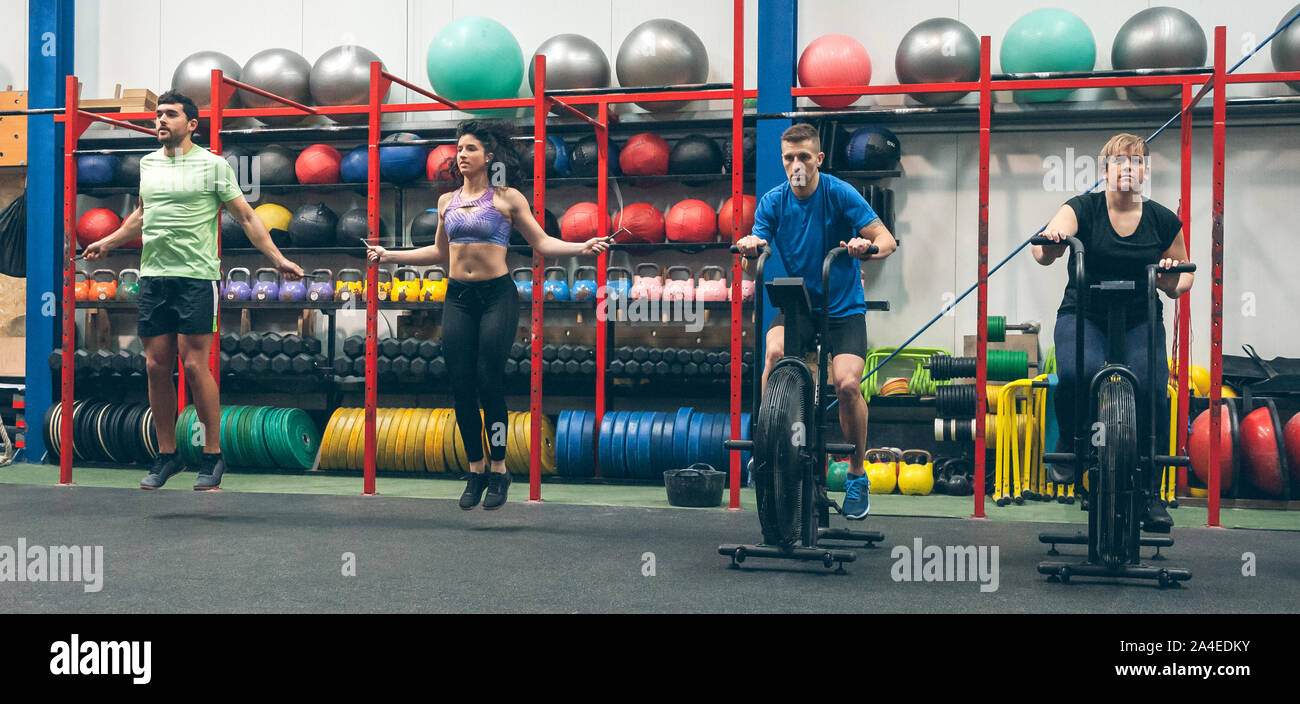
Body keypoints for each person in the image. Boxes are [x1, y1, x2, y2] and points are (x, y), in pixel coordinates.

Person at [367, 120, 609, 510]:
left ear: (488, 157)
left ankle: (499, 468)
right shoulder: (447, 202)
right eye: (459, 149)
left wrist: (584, 246)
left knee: (487, 380)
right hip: (458, 296)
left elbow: (542, 243)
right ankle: (475, 469)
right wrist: (389, 254)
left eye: (471, 149)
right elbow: (439, 254)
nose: (462, 155)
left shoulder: (507, 198)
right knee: (461, 384)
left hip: (497, 296)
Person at [82, 91, 302, 490]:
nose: (160, 120)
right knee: (154, 366)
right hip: (153, 277)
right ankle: (167, 455)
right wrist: (109, 241)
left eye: (170, 114)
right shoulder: (148, 164)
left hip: (196, 278)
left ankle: (213, 454)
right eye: (158, 115)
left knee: (196, 365)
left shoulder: (213, 165)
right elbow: (141, 217)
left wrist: (277, 259)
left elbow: (247, 216)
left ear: (192, 125)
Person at [734, 122, 898, 520]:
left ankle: (857, 475)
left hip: (842, 306)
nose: (797, 165)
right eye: (789, 158)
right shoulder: (772, 202)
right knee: (772, 354)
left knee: (847, 385)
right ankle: (767, 446)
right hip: (799, 305)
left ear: (819, 159)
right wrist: (749, 249)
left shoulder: (839, 193)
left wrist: (864, 247)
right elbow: (747, 268)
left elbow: (887, 240)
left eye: (804, 157)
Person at [1033, 133, 1194, 533]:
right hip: (1084, 314)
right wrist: (1052, 243)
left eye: (1136, 161)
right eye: (1118, 161)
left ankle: (1151, 494)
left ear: (1145, 171)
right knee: (1076, 374)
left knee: (1154, 391)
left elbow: (1181, 279)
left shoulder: (1161, 219)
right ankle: (1071, 443)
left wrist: (1172, 278)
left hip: (1140, 317)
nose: (1127, 168)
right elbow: (1042, 251)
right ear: (1104, 171)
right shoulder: (1081, 209)